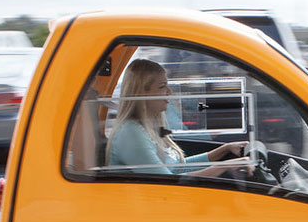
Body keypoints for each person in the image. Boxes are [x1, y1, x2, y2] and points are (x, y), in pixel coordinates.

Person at [106, 59, 251, 177]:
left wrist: (224, 150)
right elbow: (168, 182)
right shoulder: (131, 133)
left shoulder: (149, 127)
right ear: (142, 93)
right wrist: (225, 166)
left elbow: (177, 168)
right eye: (162, 87)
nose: (169, 92)